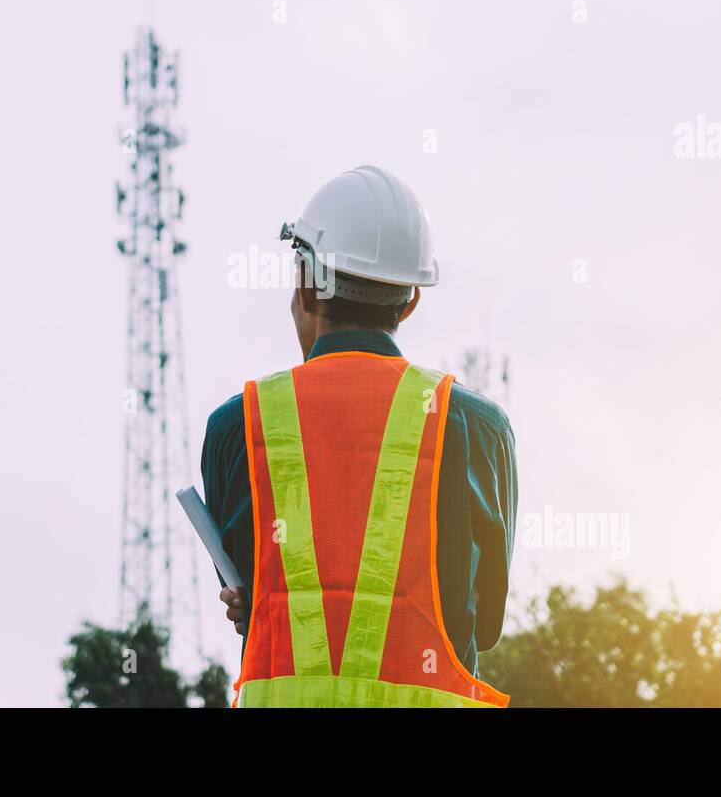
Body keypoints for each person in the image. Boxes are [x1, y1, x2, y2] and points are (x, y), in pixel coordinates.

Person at [200, 165, 518, 707]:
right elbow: (484, 626)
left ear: (306, 283)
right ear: (411, 300)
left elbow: (253, 612)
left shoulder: (238, 426)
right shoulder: (475, 426)